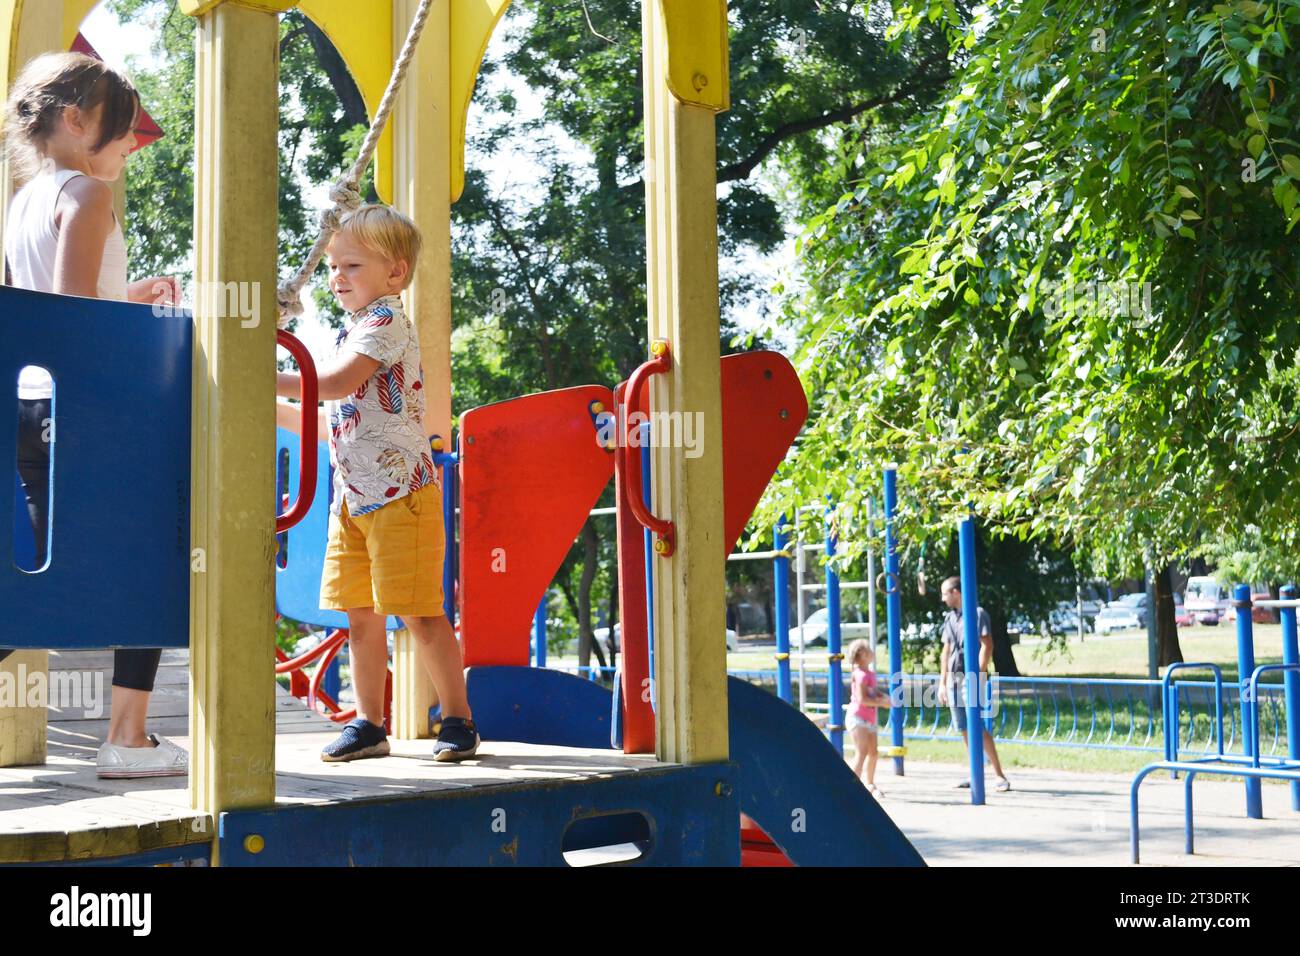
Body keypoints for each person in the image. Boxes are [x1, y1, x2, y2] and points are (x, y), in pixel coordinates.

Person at [1, 52, 186, 778]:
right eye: (122, 132)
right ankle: (128, 737)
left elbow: (35, 307)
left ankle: (129, 736)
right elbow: (75, 325)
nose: (130, 146)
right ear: (77, 123)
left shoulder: (23, 201)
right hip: (89, 417)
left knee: (36, 577)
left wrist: (129, 296)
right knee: (156, 559)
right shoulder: (88, 195)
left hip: (32, 415)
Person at [275, 204, 478, 762]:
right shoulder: (351, 330)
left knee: (418, 613)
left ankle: (458, 718)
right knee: (359, 616)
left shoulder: (386, 322)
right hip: (353, 501)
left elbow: (336, 384)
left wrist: (264, 372)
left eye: (352, 266)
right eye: (333, 266)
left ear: (395, 272)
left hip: (401, 495)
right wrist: (270, 404)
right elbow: (329, 416)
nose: (337, 277)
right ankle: (369, 723)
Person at [936, 575, 1011, 792]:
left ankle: (999, 775)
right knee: (964, 729)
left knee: (977, 726)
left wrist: (977, 673)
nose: (943, 598)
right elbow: (946, 651)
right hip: (953, 680)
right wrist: (942, 683)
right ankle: (974, 773)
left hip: (971, 679)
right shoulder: (950, 618)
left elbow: (986, 645)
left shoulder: (977, 614)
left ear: (956, 592)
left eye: (945, 593)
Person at [845, 638, 890, 796]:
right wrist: (882, 703)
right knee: (862, 752)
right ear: (862, 655)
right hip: (858, 717)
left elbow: (873, 692)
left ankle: (869, 783)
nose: (872, 652)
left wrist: (884, 697)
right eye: (869, 650)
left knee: (873, 752)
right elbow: (863, 699)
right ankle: (850, 787)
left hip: (869, 718)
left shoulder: (869, 674)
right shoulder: (860, 675)